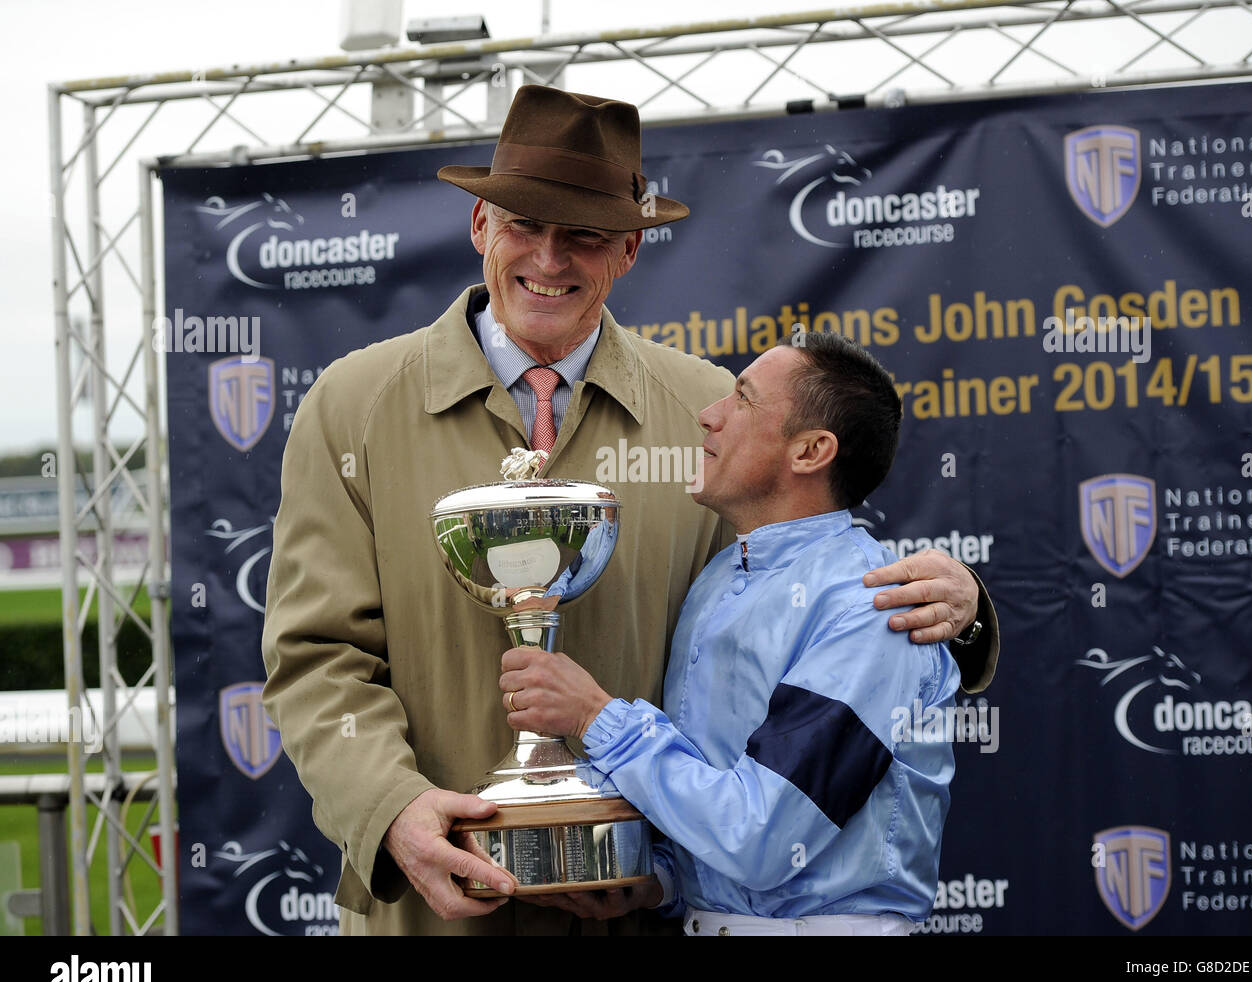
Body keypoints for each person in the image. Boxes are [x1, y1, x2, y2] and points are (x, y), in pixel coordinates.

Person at [261, 85, 997, 936]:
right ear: (479, 228)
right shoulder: (352, 405)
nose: (549, 256)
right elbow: (316, 659)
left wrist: (964, 614)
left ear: (631, 250)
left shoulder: (708, 408)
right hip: (431, 915)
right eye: (522, 225)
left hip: (646, 915)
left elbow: (804, 598)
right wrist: (393, 809)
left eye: (584, 233)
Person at [500, 332, 957, 935]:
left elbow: (760, 836)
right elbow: (720, 795)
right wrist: (657, 879)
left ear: (811, 450)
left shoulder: (874, 611)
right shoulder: (720, 577)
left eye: (742, 399)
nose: (709, 415)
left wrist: (594, 717)